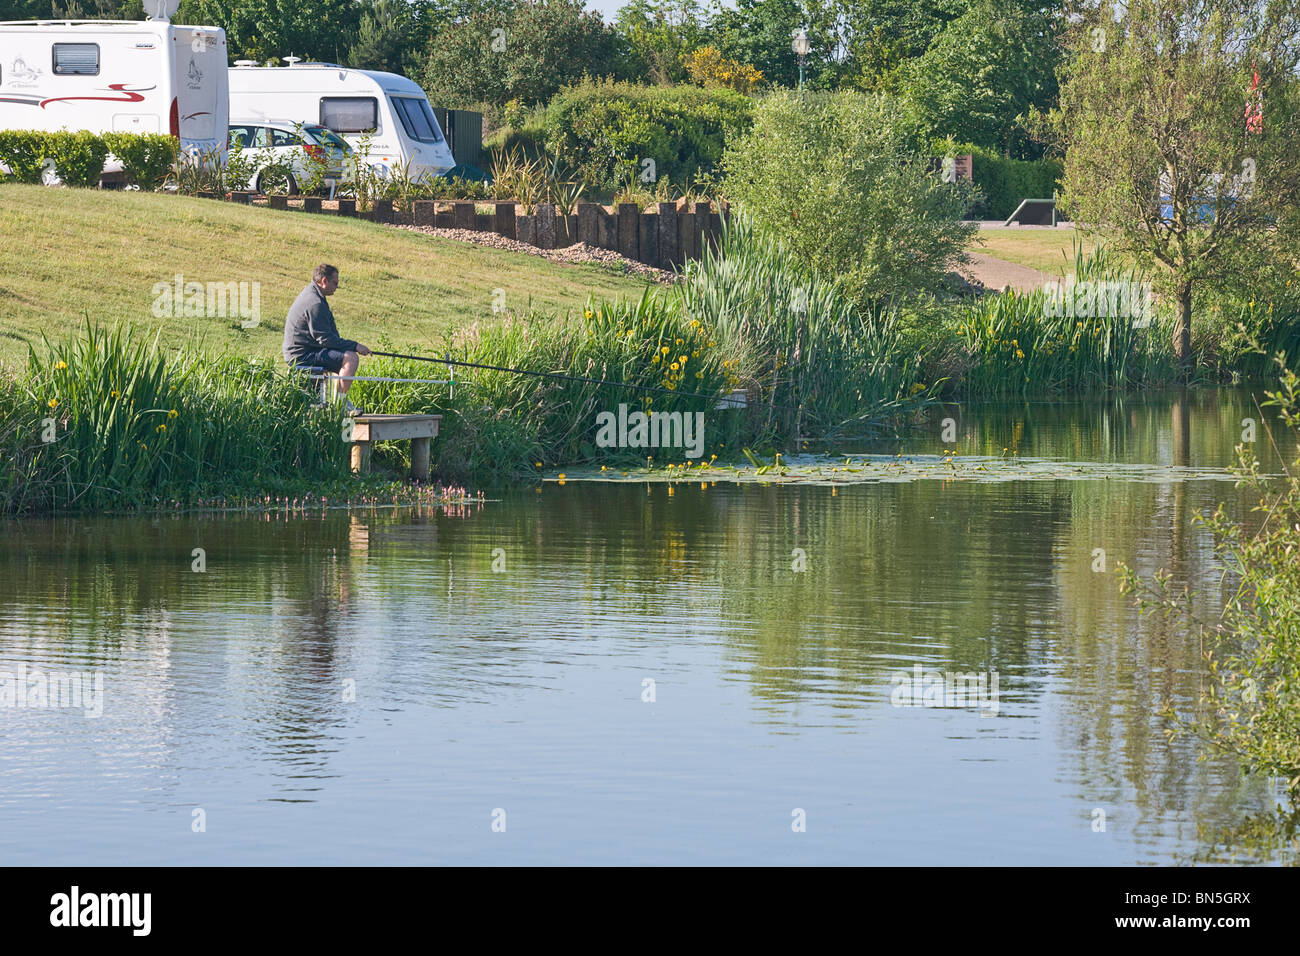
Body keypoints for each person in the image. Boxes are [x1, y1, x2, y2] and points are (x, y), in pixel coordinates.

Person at [282, 264, 372, 413]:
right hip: (302, 355)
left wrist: (345, 345)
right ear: (324, 280)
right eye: (335, 283)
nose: (337, 287)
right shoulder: (315, 303)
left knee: (344, 355)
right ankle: (341, 405)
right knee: (351, 358)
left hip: (305, 350)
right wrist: (355, 346)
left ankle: (332, 403)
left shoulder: (313, 294)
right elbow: (325, 339)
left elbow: (329, 336)